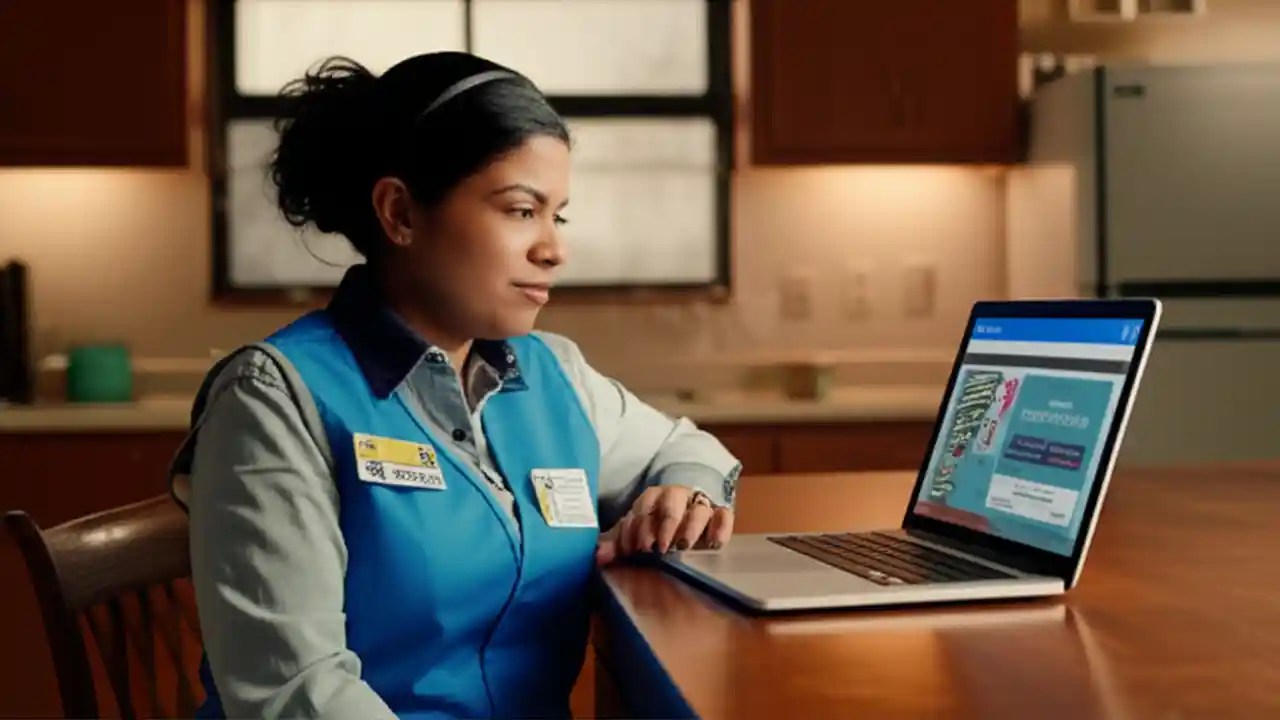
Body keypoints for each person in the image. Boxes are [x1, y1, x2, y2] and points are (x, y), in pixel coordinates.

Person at [167, 50, 741, 720]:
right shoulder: (274, 398)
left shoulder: (554, 375)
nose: (554, 248)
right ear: (400, 213)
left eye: (559, 215)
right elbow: (296, 694)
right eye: (521, 210)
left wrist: (683, 495)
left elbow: (692, 452)